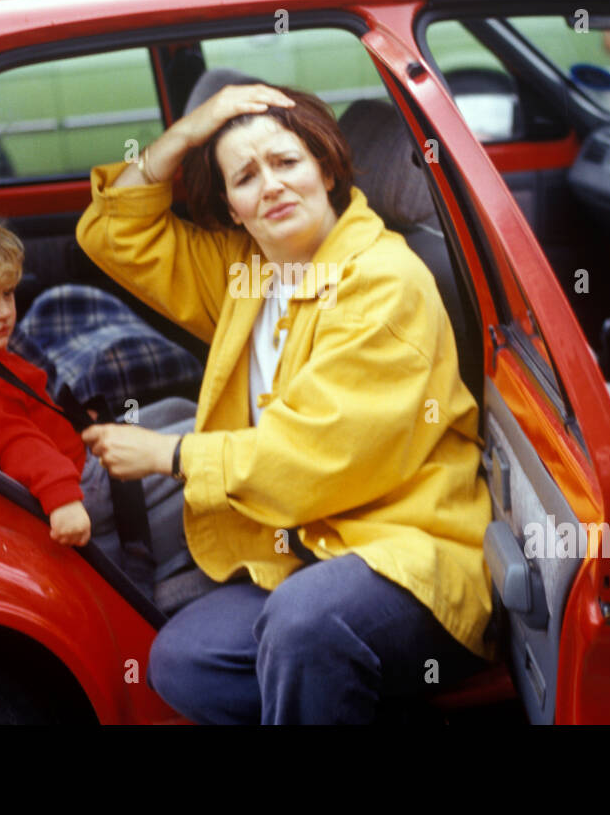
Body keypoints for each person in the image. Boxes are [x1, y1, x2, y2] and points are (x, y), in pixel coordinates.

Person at [76, 84, 494, 724]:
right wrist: (191, 131)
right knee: (183, 661)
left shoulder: (385, 280)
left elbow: (317, 457)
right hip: (306, 548)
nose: (269, 185)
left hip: (407, 547)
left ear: (326, 170)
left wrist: (173, 453)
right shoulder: (249, 271)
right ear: (233, 210)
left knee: (305, 628)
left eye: (286, 162)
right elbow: (114, 232)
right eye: (244, 177)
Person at [0, 210, 204, 609]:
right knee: (193, 441)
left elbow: (31, 417)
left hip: (72, 451)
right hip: (80, 483)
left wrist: (69, 423)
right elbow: (17, 441)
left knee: (176, 408)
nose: (4, 311)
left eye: (8, 294)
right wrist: (63, 500)